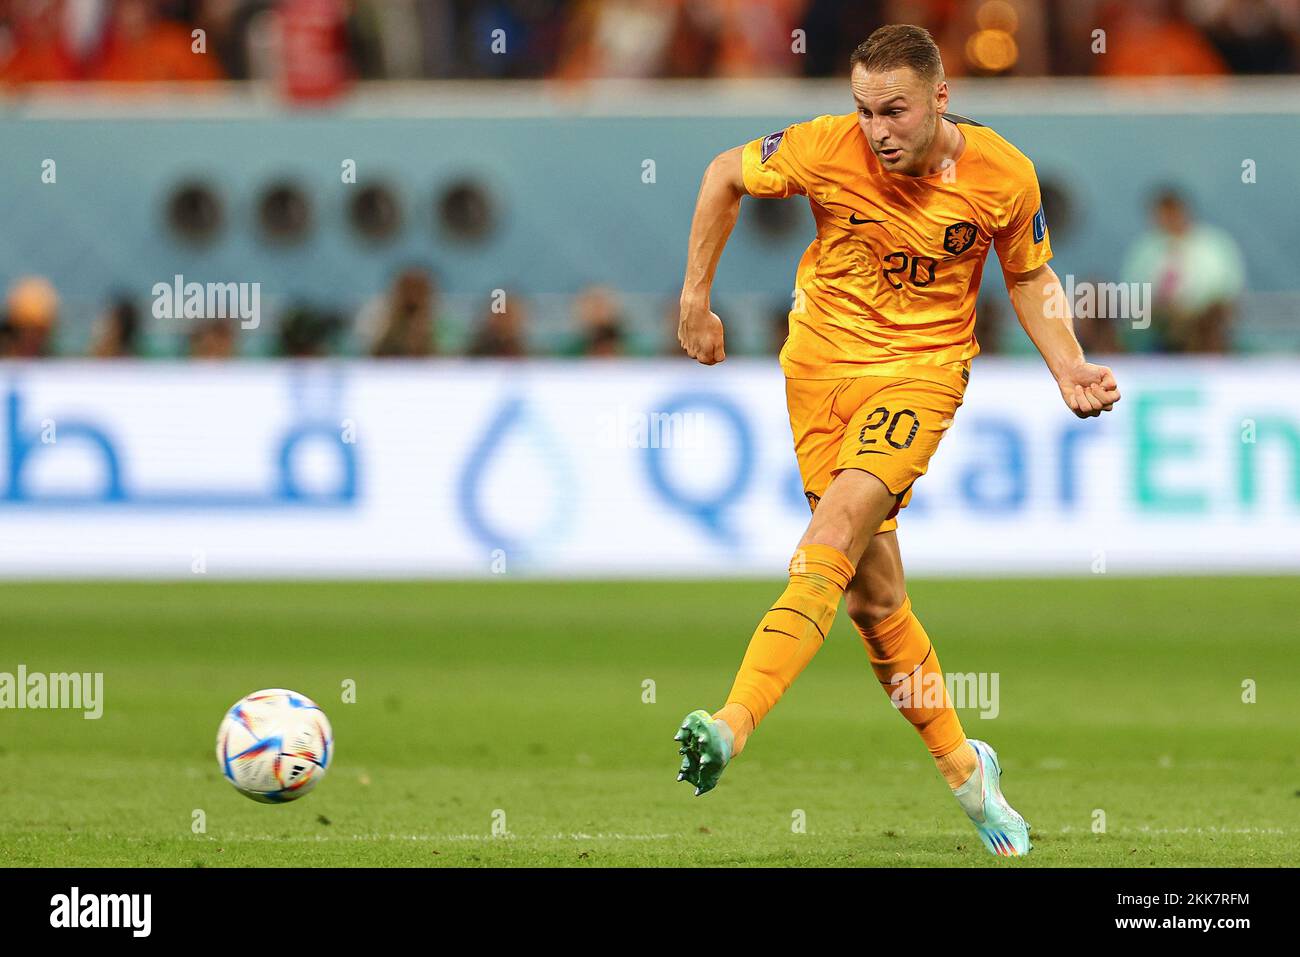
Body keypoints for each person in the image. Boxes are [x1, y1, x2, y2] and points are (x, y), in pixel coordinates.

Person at [673, 23, 1119, 858]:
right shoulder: (824, 147)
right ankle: (966, 769)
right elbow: (723, 173)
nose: (877, 130)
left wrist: (1067, 363)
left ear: (941, 98)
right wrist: (695, 298)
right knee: (873, 602)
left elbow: (1028, 273)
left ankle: (731, 722)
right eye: (865, 110)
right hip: (817, 374)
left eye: (895, 111)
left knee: (833, 529)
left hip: (919, 375)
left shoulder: (1003, 175)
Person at [1120, 187, 1245, 354]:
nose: (1167, 220)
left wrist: (1192, 312)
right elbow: (1132, 295)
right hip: (1159, 322)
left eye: (1171, 213)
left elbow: (1228, 293)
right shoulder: (1145, 249)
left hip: (1202, 322)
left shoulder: (1214, 246)